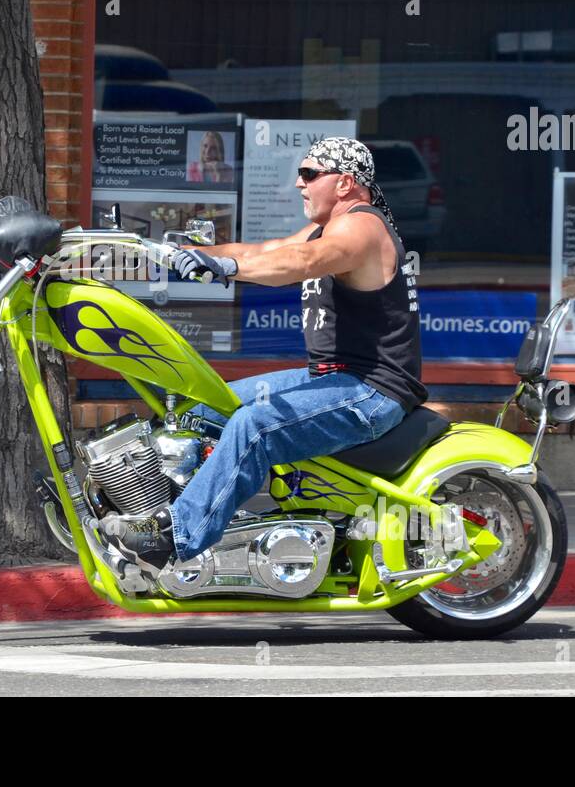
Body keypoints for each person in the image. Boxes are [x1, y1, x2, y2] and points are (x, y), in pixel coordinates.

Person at [100, 137, 427, 572]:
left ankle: (173, 536)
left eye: (310, 174)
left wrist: (227, 270)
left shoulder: (362, 227)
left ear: (346, 183)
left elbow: (302, 262)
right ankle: (176, 504)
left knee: (254, 425)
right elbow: (263, 252)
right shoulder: (325, 228)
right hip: (330, 379)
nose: (298, 183)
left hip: (373, 391)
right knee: (206, 407)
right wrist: (179, 255)